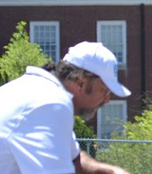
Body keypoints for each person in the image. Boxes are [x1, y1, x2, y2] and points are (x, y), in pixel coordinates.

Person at [0, 42, 133, 174]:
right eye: (104, 90)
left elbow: (74, 161)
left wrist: (112, 171)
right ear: (81, 83)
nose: (107, 100)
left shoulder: (38, 89)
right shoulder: (50, 102)